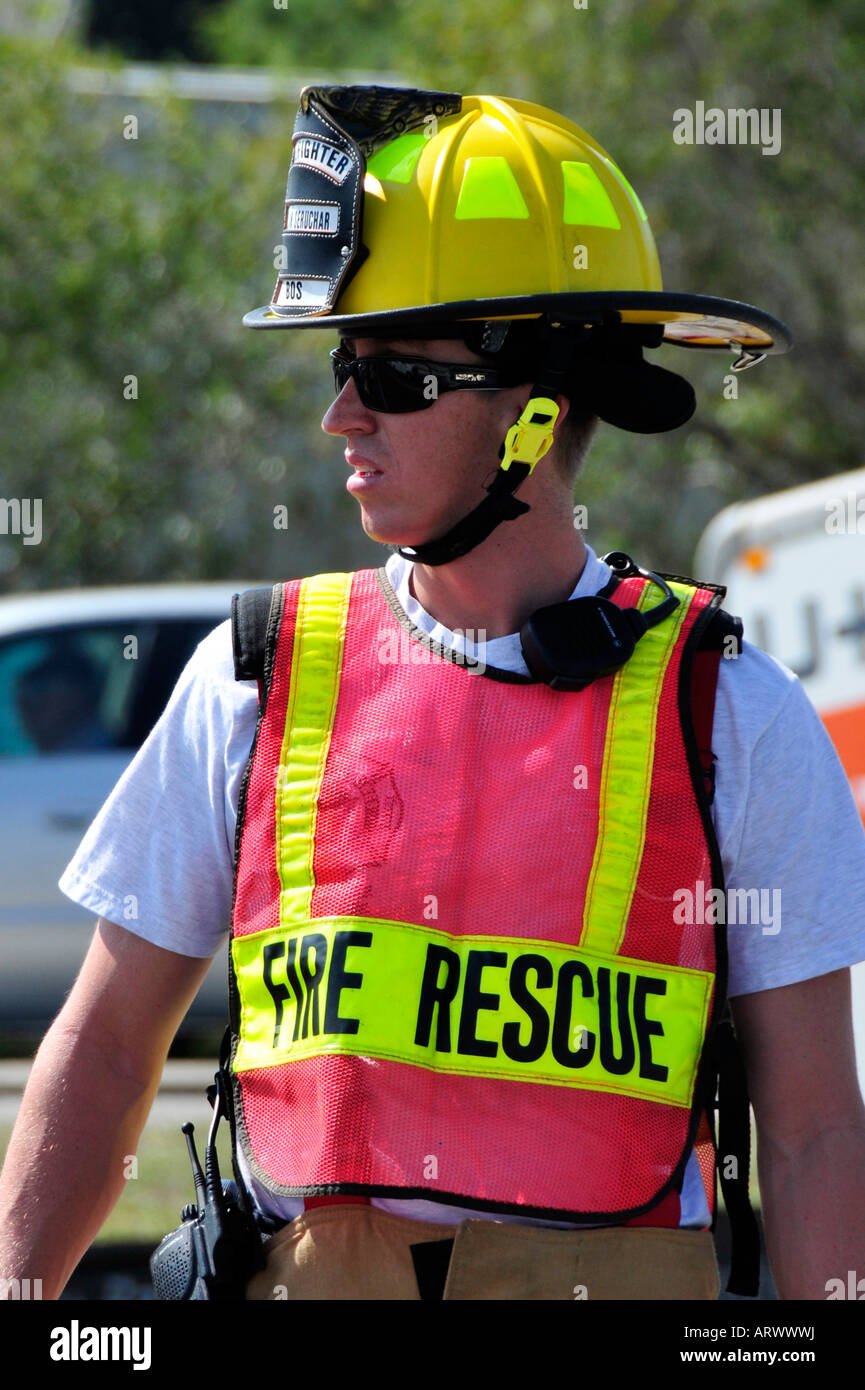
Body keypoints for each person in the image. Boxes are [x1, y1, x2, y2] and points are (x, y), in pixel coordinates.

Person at [2, 85, 864, 1302]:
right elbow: (98, 1050)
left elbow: (817, 1129)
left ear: (540, 409)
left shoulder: (734, 712)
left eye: (396, 376)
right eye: (345, 365)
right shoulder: (255, 674)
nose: (338, 414)